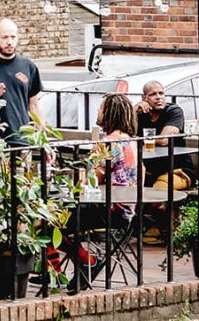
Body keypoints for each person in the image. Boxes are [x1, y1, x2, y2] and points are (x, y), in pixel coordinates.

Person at [58, 93, 138, 292]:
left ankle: (83, 264)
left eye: (100, 108)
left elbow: (91, 181)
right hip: (128, 210)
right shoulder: (131, 141)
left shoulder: (108, 143)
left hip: (109, 209)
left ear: (109, 113)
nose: (97, 111)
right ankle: (83, 265)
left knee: (48, 223)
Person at [0, 18, 44, 145]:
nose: (9, 42)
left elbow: (34, 105)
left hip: (23, 140)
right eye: (5, 37)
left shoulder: (29, 66)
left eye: (13, 37)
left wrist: (42, 140)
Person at [134, 81, 192, 188]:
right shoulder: (140, 114)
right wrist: (133, 110)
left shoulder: (174, 111)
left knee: (158, 193)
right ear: (144, 98)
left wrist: (138, 140)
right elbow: (121, 133)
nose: (158, 97)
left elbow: (164, 140)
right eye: (153, 94)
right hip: (149, 171)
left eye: (161, 93)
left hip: (176, 170)